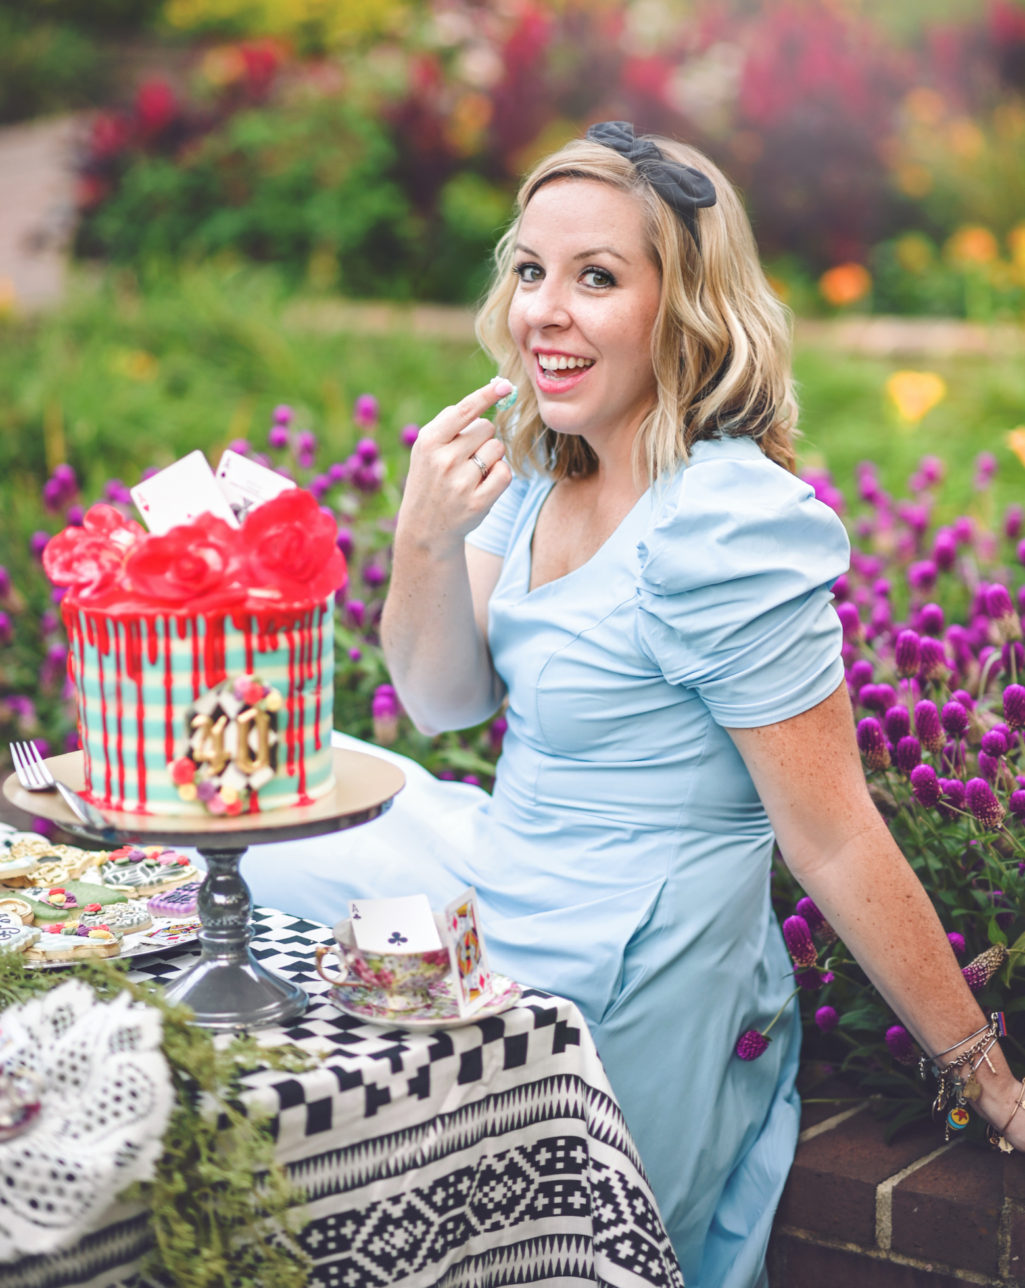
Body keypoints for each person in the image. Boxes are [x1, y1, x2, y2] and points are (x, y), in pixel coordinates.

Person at [241, 122, 1025, 1287]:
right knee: (238, 851)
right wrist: (422, 532)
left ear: (687, 311)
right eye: (528, 269)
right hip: (507, 868)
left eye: (595, 278)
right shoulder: (552, 456)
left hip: (635, 954)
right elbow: (442, 699)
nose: (540, 312)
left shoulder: (723, 525)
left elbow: (832, 830)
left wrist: (982, 1071)